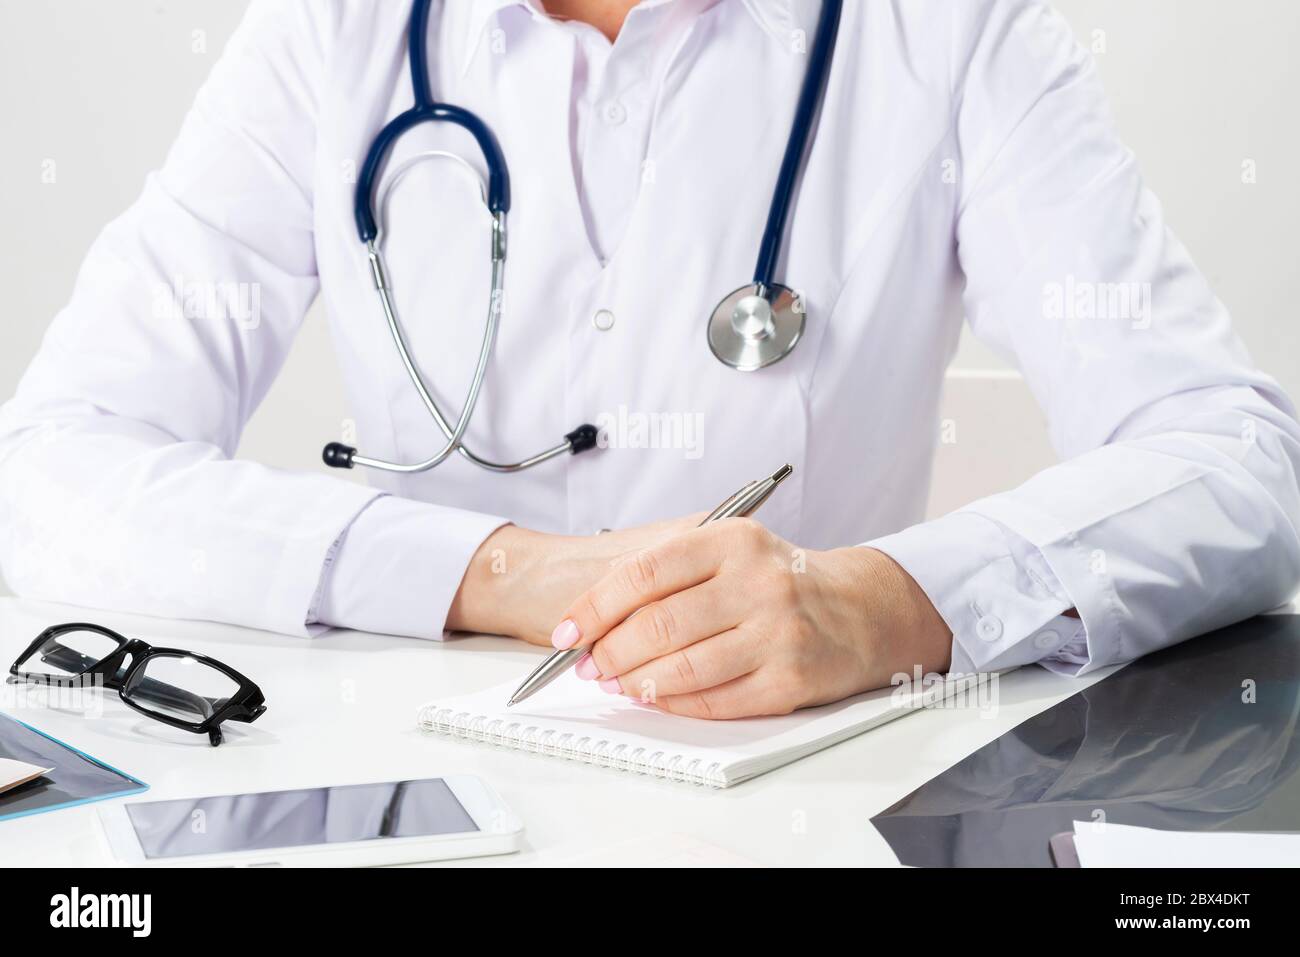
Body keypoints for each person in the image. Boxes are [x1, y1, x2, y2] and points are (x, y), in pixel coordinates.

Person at [2, 0, 1297, 720]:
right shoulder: (331, 35)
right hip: (430, 800)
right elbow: (49, 464)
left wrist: (892, 601)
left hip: (799, 811)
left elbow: (1239, 465)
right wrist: (502, 572)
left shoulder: (955, 34)